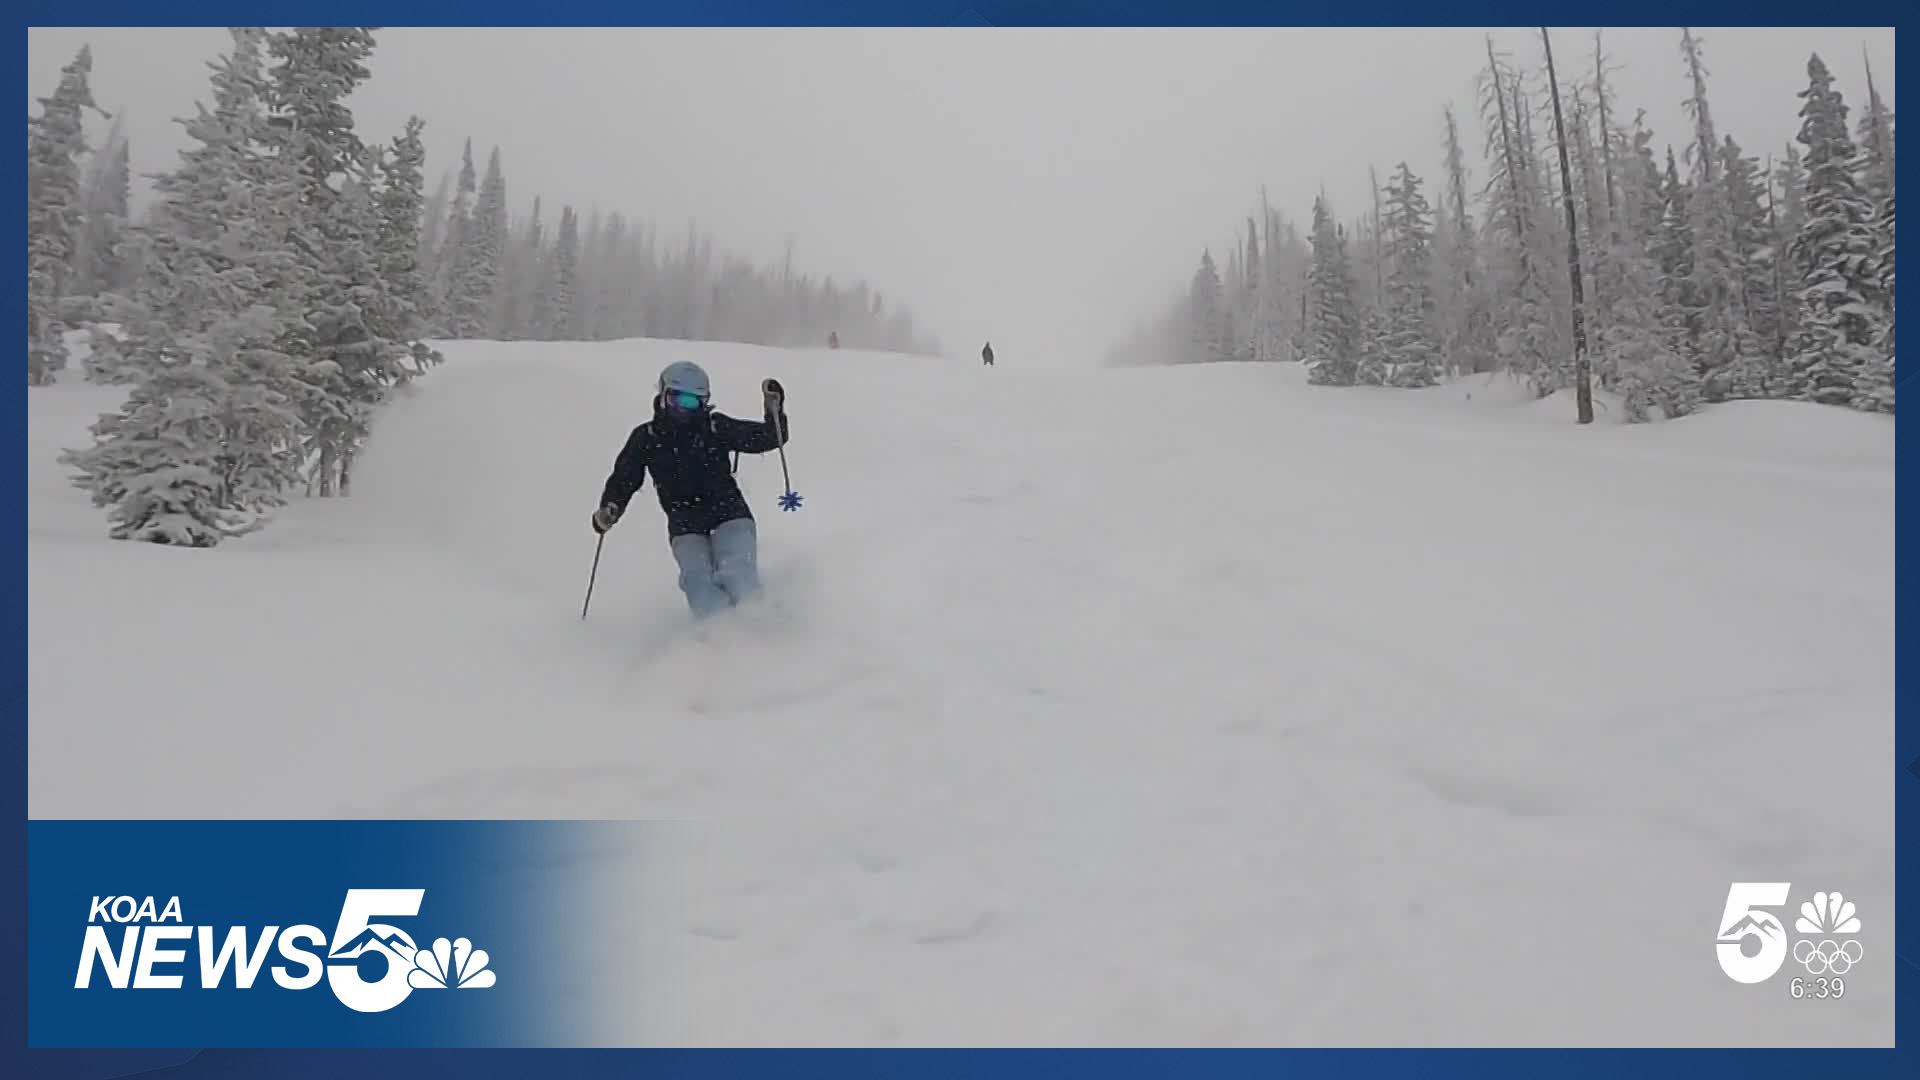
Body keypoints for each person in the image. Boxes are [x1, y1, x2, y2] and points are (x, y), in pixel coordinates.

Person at [591, 361, 790, 617]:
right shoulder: (647, 438)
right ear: (662, 396)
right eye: (677, 401)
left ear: (704, 402)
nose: (683, 411)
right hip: (684, 519)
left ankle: (758, 625)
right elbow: (624, 479)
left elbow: (768, 438)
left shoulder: (714, 427)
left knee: (738, 572)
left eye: (692, 403)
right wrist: (611, 508)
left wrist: (774, 411)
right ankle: (721, 637)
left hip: (728, 511)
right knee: (698, 583)